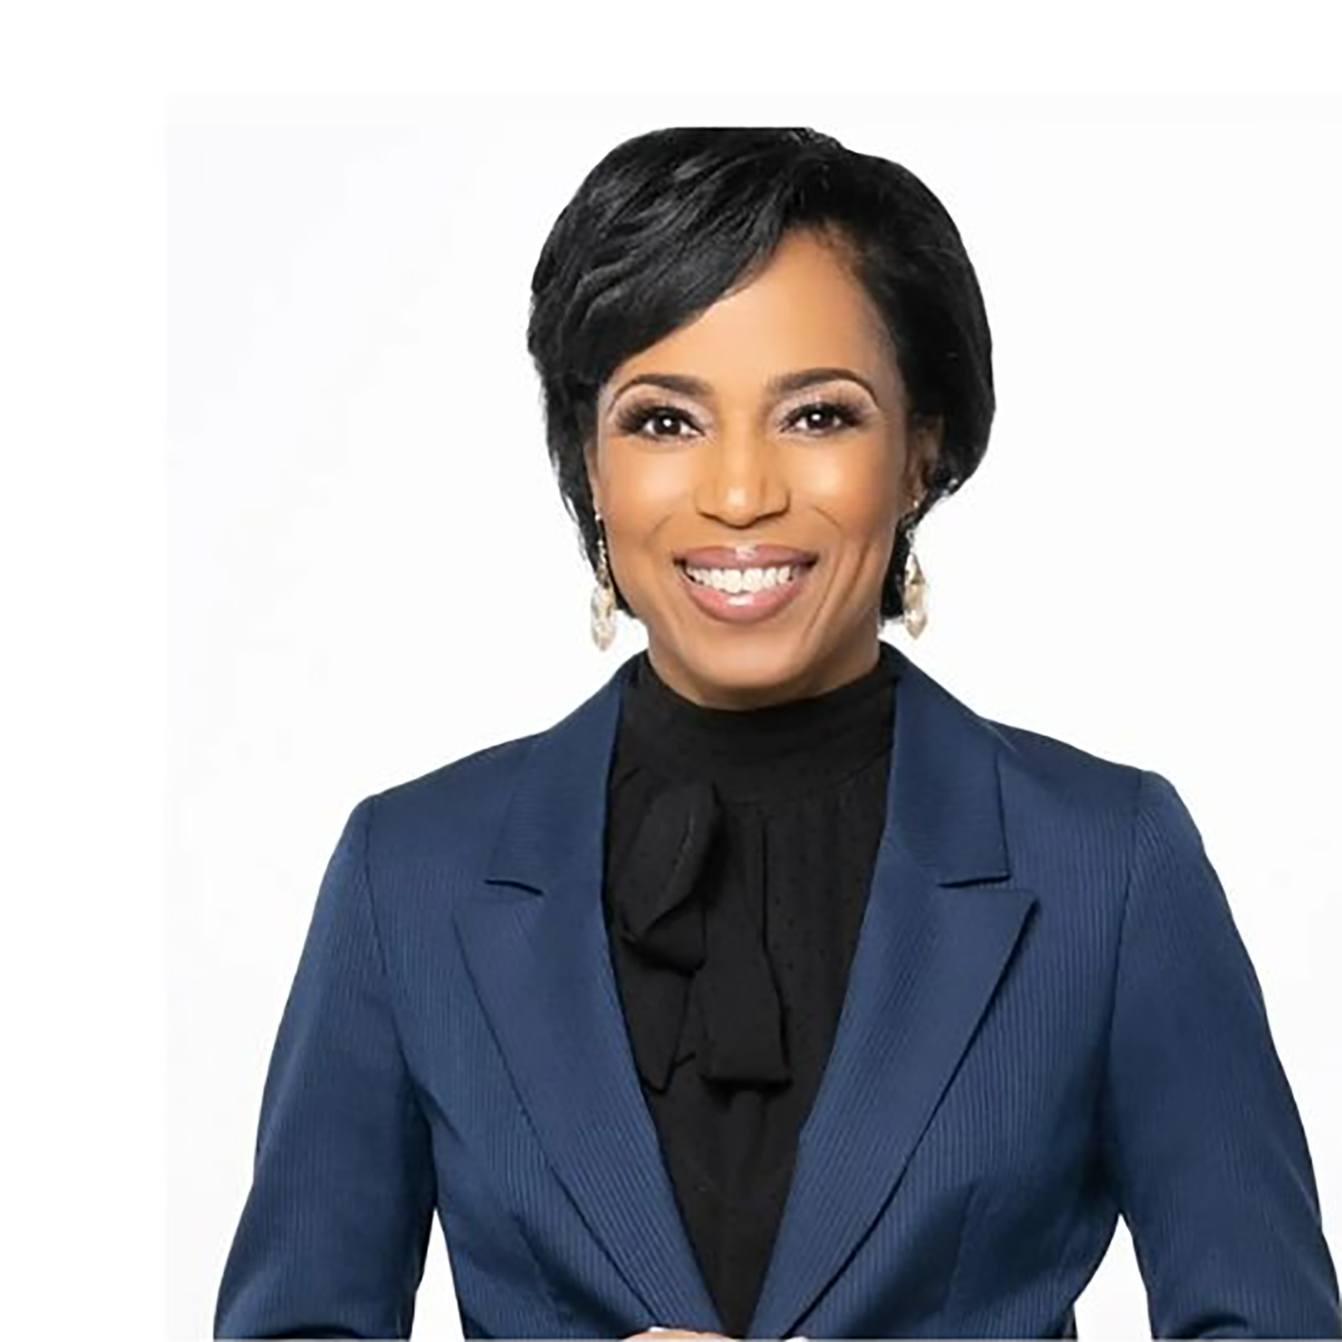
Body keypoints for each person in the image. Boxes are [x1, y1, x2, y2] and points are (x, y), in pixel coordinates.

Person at [215, 127, 1339, 1338]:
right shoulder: (409, 875)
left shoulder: (1107, 862)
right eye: (663, 421)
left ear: (922, 450)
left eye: (815, 415)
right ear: (587, 462)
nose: (741, 492)